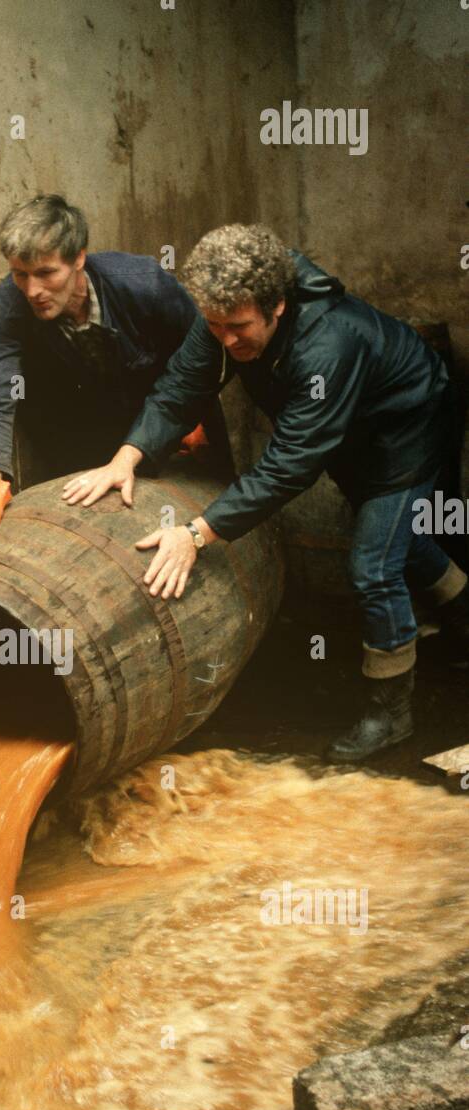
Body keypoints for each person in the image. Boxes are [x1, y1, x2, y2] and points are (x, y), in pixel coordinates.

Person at [63, 223, 468, 762]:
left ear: (276, 305)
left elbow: (287, 466)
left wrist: (196, 533)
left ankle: (389, 713)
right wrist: (126, 457)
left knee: (374, 565)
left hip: (408, 424)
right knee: (404, 541)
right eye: (214, 326)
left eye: (239, 327)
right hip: (353, 426)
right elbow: (181, 387)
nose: (226, 339)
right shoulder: (224, 318)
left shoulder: (330, 342)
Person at [0, 194, 229, 561]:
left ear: (79, 260)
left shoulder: (144, 284)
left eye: (46, 273)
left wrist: (195, 420)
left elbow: (206, 351)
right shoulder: (10, 302)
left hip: (166, 413)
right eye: (20, 274)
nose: (32, 290)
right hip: (83, 429)